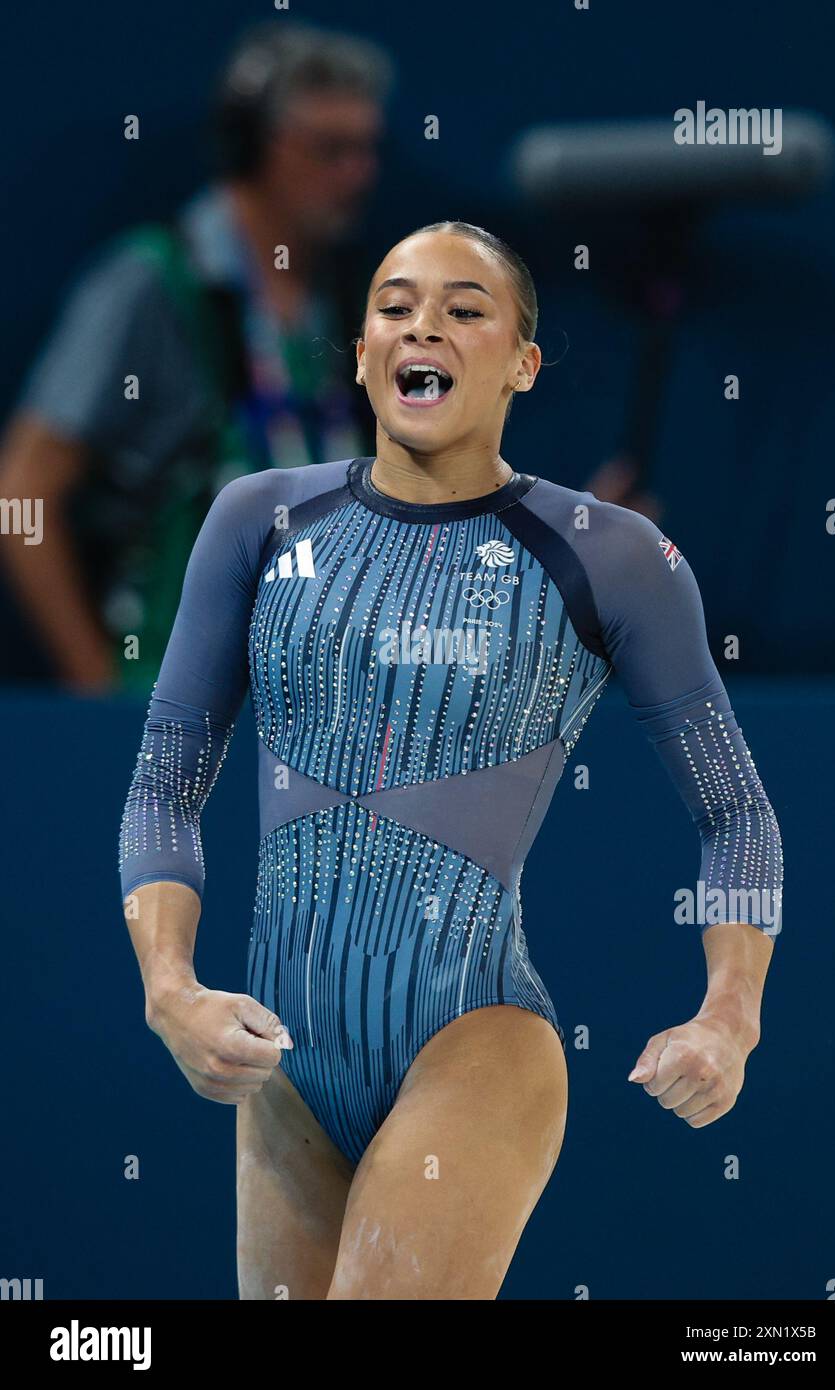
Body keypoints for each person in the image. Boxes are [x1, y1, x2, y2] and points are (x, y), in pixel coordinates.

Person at [118, 221, 783, 1301]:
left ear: (522, 362)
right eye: (393, 305)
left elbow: (735, 813)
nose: (421, 323)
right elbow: (164, 778)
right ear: (361, 351)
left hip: (474, 1045)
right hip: (285, 1069)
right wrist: (169, 988)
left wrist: (729, 1017)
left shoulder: (604, 554)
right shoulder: (258, 520)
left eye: (464, 308)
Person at [0, 20, 391, 694]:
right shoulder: (151, 284)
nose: (358, 175)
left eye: (366, 149)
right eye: (331, 149)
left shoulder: (356, 300)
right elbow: (20, 493)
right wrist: (100, 691)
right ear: (252, 148)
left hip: (328, 719)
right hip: (179, 707)